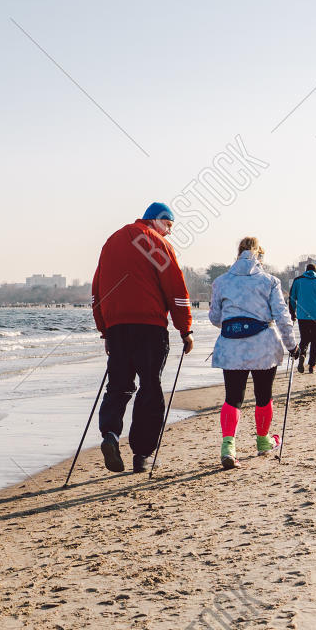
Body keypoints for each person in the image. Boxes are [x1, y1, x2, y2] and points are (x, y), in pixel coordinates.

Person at [90, 202, 194, 473]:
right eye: (168, 225)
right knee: (150, 387)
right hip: (150, 328)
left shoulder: (111, 241)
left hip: (117, 329)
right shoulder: (157, 243)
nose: (169, 232)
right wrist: (185, 329)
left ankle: (110, 434)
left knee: (118, 386)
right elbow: (176, 287)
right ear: (156, 220)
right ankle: (142, 454)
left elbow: (97, 289)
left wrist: (105, 330)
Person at [209, 237, 298, 468]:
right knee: (263, 395)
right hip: (263, 347)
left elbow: (215, 318)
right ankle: (263, 440)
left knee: (232, 397)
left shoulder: (221, 282)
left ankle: (228, 447)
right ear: (259, 256)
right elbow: (282, 316)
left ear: (238, 253)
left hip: (231, 347)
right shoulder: (270, 282)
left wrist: (235, 323)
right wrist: (292, 346)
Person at [287, 262, 316, 374]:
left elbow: (292, 298)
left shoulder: (297, 281)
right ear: (315, 271)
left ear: (306, 270)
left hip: (302, 316)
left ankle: (302, 354)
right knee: (315, 340)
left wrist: (292, 313)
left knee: (304, 338)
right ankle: (312, 365)